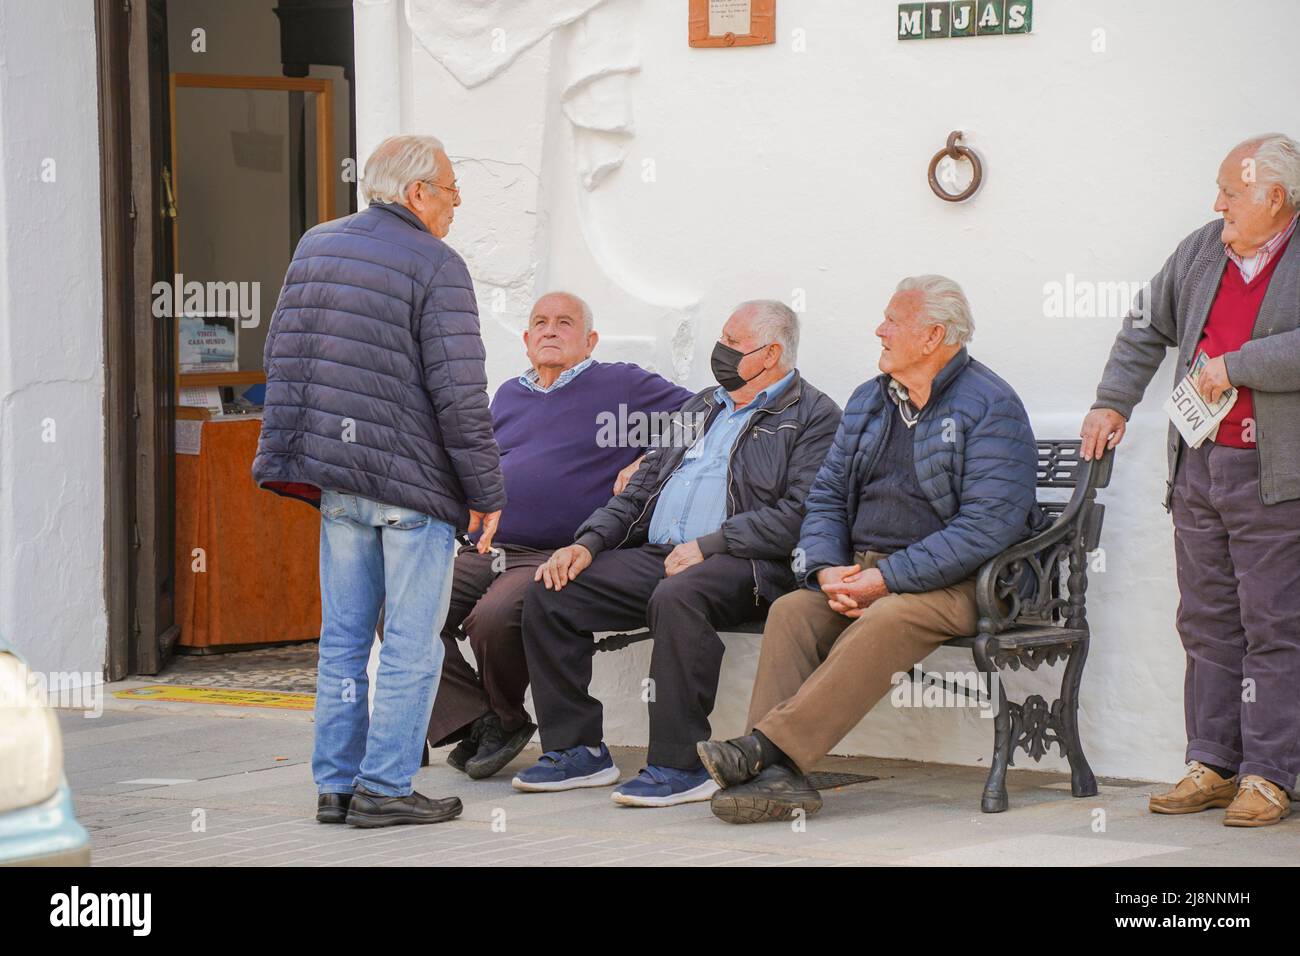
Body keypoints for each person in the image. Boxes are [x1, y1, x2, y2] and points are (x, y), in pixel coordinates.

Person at [697, 276, 1043, 824]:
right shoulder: (869, 400)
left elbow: (986, 526)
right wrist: (826, 569)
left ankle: (763, 751)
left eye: (892, 321)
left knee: (891, 617)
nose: (878, 330)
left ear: (932, 337)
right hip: (865, 573)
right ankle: (776, 778)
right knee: (792, 611)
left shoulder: (990, 404)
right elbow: (827, 496)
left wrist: (888, 579)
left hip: (965, 583)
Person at [253, 133, 505, 827]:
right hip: (411, 491)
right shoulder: (437, 263)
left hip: (340, 484)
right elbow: (459, 392)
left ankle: (336, 786)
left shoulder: (317, 244)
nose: (457, 203)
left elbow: (283, 352)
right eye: (451, 189)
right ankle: (386, 788)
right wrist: (486, 490)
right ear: (418, 192)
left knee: (342, 638)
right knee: (409, 643)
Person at [515, 300, 842, 807]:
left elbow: (802, 513)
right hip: (663, 553)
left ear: (771, 353)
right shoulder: (701, 406)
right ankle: (576, 750)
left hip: (747, 562)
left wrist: (711, 545)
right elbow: (639, 492)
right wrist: (586, 543)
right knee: (553, 587)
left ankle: (678, 764)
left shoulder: (814, 416)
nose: (721, 350)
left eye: (734, 343)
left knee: (679, 595)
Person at [1081, 133, 1300, 827]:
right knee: (1205, 621)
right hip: (1200, 465)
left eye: (1231, 193)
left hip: (1274, 472)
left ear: (1275, 195)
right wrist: (1113, 400)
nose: (1218, 204)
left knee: (1274, 625)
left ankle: (1268, 776)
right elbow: (1146, 325)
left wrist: (1237, 365)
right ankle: (1211, 761)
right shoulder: (1204, 247)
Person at [428, 290, 694, 779]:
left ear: (590, 340)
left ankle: (504, 721)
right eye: (541, 323)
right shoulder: (509, 394)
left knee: (493, 616)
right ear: (527, 340)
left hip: (560, 549)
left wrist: (647, 458)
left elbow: (700, 416)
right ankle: (481, 719)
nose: (551, 330)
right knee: (406, 606)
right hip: (492, 545)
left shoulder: (621, 384)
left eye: (565, 322)